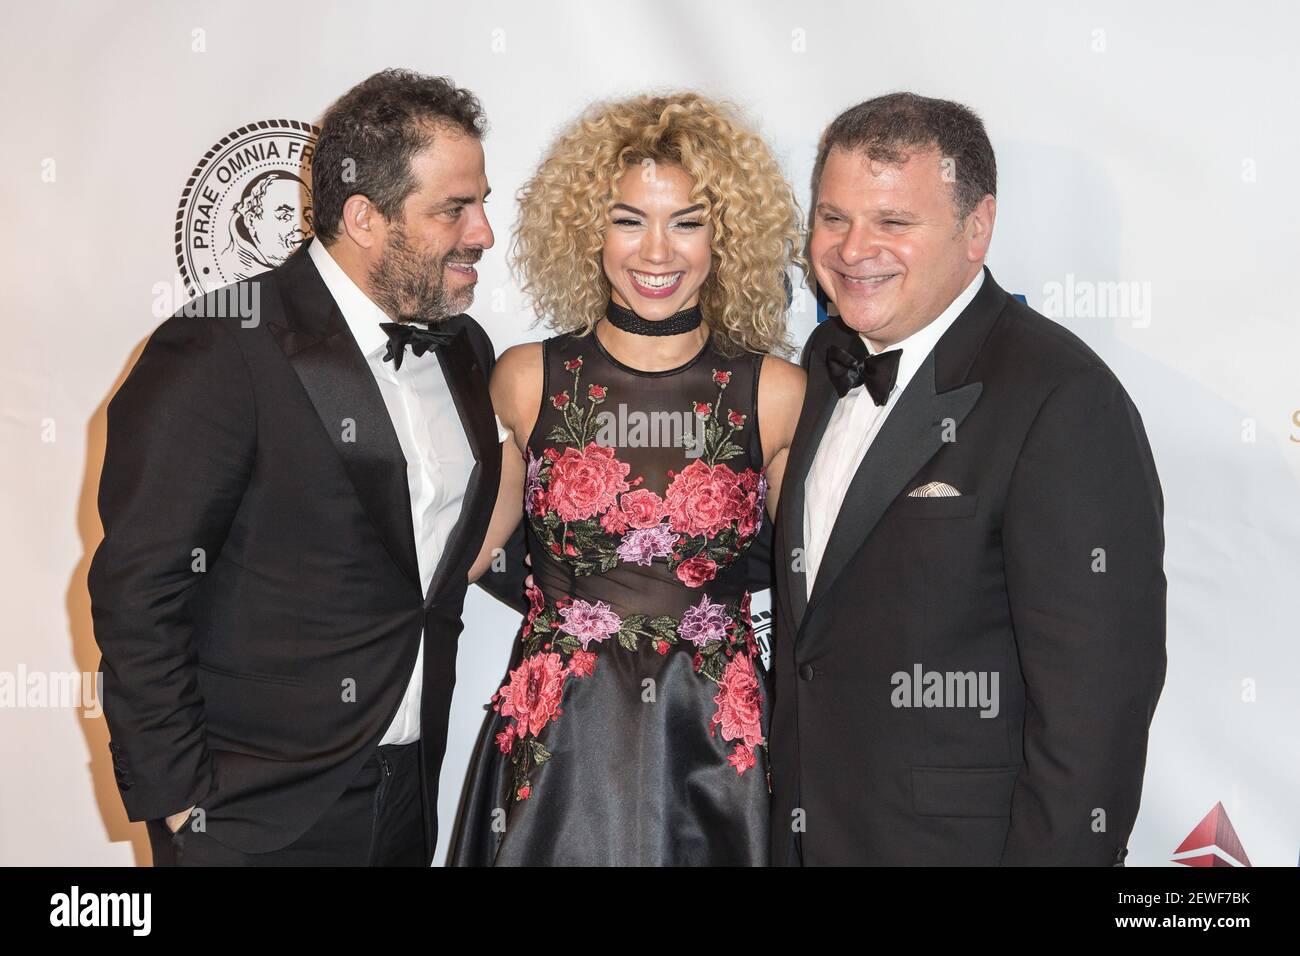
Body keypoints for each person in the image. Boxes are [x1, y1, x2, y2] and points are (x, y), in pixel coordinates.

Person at [88, 68, 507, 866]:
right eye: (454, 208)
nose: (483, 231)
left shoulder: (465, 350)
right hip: (254, 814)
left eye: (483, 201)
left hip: (411, 794)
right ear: (364, 217)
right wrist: (182, 803)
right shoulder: (221, 346)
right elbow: (139, 591)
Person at [768, 92, 1167, 866]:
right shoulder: (822, 369)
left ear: (976, 228)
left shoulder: (1061, 399)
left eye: (894, 222)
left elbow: (1094, 713)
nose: (853, 250)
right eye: (834, 217)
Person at [449, 92, 807, 865]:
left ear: (727, 236)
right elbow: (458, 558)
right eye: (627, 219)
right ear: (587, 229)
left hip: (716, 745)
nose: (656, 252)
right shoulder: (527, 379)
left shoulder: (776, 393)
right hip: (560, 748)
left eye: (687, 221)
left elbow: (827, 580)